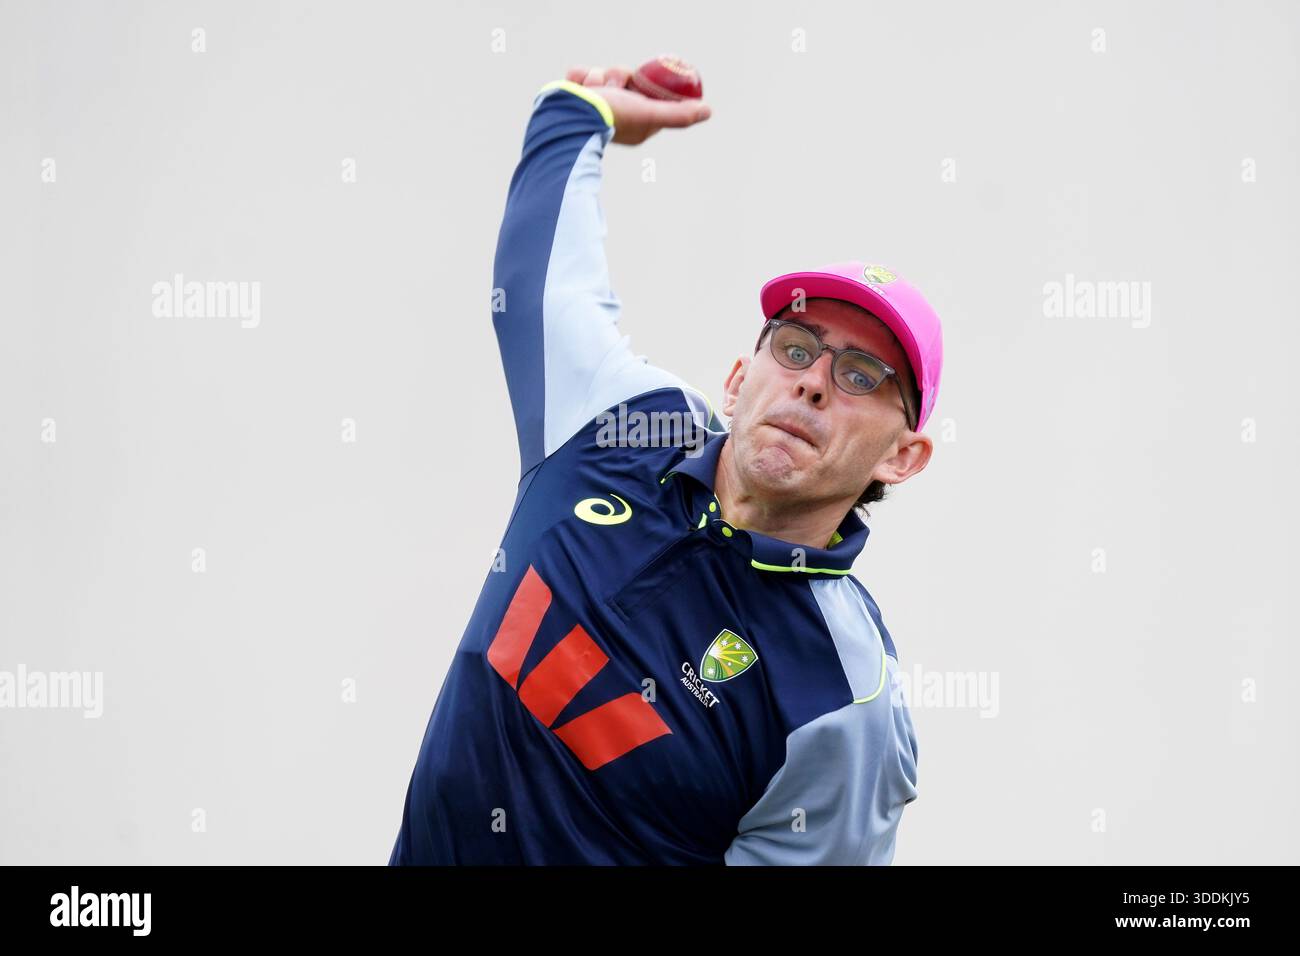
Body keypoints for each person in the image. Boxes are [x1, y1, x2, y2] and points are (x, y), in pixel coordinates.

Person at [388, 63, 942, 865]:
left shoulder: (844, 701)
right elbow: (543, 286)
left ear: (902, 456)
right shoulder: (624, 427)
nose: (814, 382)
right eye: (794, 348)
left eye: (862, 376)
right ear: (738, 380)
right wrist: (578, 115)